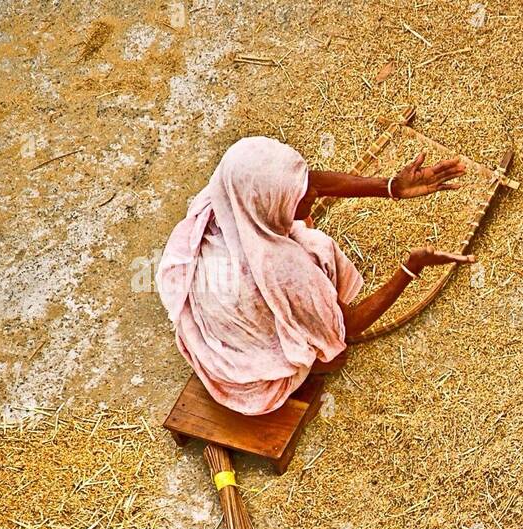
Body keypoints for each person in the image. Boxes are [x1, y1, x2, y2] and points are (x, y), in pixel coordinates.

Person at [158, 136, 473, 415]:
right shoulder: (283, 269)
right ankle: (297, 337)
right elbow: (349, 328)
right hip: (244, 373)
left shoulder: (229, 194)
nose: (313, 193)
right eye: (299, 193)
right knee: (317, 254)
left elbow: (314, 182)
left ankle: (294, 317)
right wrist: (410, 269)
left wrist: (391, 186)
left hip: (220, 321)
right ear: (265, 200)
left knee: (304, 228)